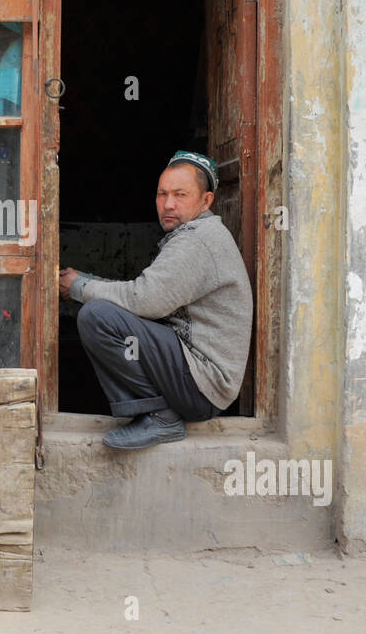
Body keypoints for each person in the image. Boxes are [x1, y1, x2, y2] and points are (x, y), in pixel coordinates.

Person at [58, 150, 252, 450]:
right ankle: (156, 412)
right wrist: (88, 280)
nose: (168, 204)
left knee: (96, 317)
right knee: (105, 310)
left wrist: (81, 288)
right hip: (199, 381)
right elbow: (145, 292)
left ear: (206, 201)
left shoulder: (196, 241)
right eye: (162, 194)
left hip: (203, 386)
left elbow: (144, 301)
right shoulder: (195, 233)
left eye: (180, 195)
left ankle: (161, 418)